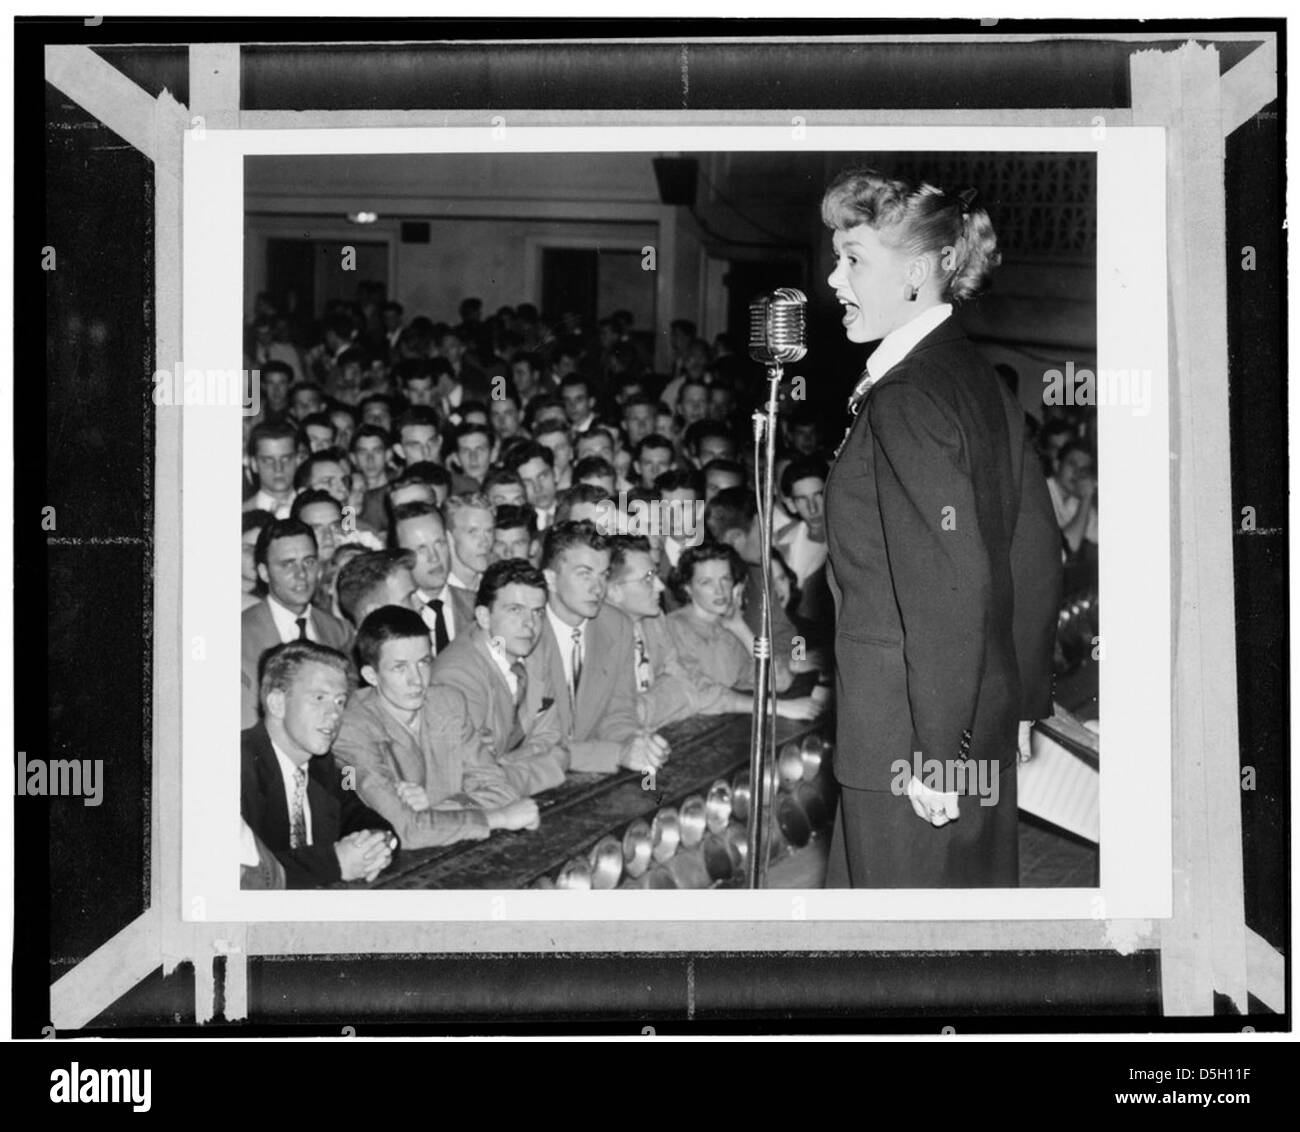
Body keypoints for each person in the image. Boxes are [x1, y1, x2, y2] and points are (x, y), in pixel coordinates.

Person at [819, 166, 1061, 888]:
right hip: (973, 720)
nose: (834, 278)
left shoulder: (907, 400)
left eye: (854, 258)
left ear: (918, 273)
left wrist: (935, 756)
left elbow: (947, 588)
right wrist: (1017, 703)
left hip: (909, 742)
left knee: (888, 965)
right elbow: (1034, 549)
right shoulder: (975, 378)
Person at [332, 608, 539, 849]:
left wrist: (434, 803)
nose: (417, 680)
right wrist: (499, 817)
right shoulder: (351, 728)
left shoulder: (448, 703)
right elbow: (404, 830)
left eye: (423, 662)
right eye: (400, 668)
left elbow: (500, 791)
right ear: (371, 675)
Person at [240, 641, 393, 889]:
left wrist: (380, 842)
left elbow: (356, 814)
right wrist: (335, 863)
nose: (334, 714)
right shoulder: (233, 769)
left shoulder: (324, 764)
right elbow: (243, 875)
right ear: (277, 703)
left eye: (340, 702)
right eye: (319, 698)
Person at [533, 521, 669, 774]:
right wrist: (617, 754)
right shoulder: (527, 631)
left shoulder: (616, 625)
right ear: (550, 579)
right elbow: (532, 743)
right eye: (584, 574)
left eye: (604, 574)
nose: (598, 588)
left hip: (587, 771)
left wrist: (634, 742)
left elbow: (617, 712)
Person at [430, 560, 570, 795]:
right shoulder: (456, 676)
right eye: (515, 610)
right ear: (484, 617)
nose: (530, 624)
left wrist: (504, 765)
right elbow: (471, 782)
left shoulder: (533, 649)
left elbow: (553, 740)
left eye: (537, 612)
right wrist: (549, 767)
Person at [241, 518, 351, 728]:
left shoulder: (339, 632)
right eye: (287, 564)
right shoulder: (239, 636)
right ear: (264, 572)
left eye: (308, 562)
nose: (301, 574)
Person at [391, 500, 474, 654]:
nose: (434, 557)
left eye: (439, 543)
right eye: (421, 548)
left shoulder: (477, 606)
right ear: (399, 558)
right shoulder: (391, 618)